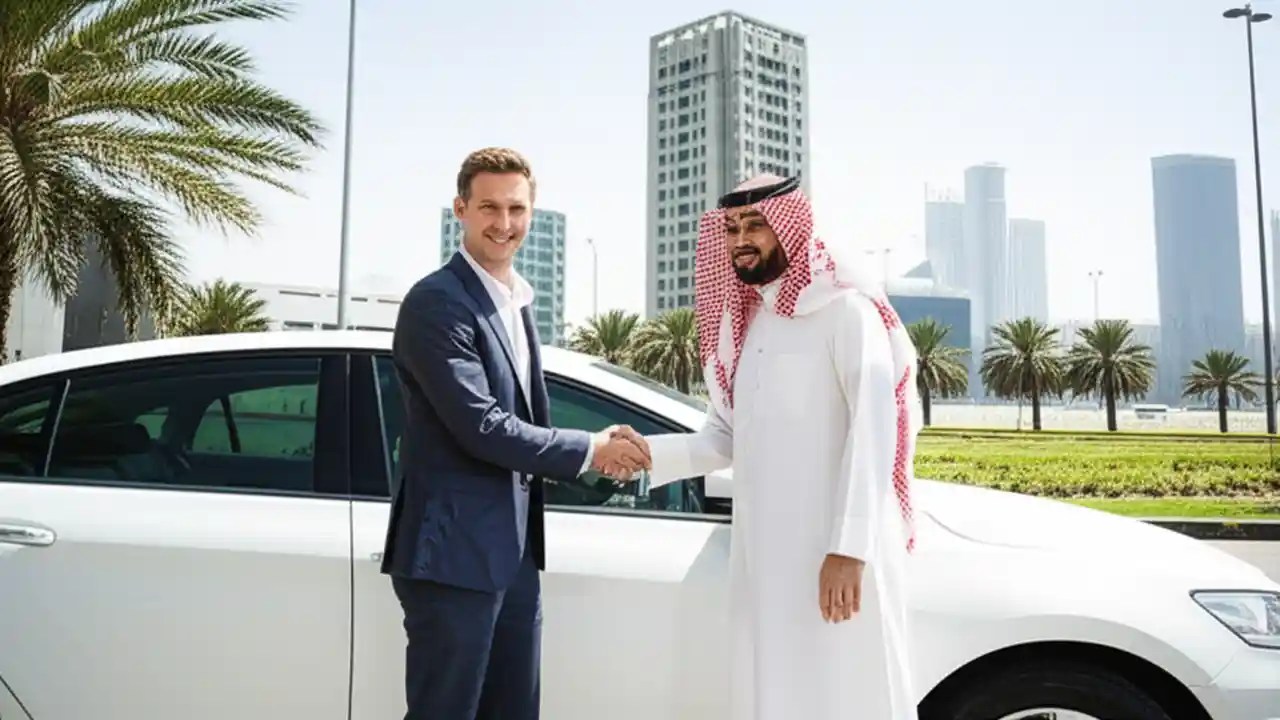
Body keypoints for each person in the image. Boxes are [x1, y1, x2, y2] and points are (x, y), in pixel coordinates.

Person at [381, 146, 651, 720]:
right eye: (489, 208)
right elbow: (482, 425)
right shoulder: (437, 302)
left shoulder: (516, 302)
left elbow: (524, 424)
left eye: (517, 209)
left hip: (513, 556)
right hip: (453, 557)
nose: (504, 224)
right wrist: (589, 449)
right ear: (461, 209)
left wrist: (604, 462)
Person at [643, 174, 923, 719]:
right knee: (776, 692)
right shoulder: (747, 324)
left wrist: (848, 548)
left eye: (755, 225)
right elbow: (726, 436)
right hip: (768, 557)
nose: (740, 238)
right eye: (731, 228)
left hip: (837, 555)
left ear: (790, 228)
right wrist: (647, 455)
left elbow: (874, 429)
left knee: (848, 689)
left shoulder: (847, 313)